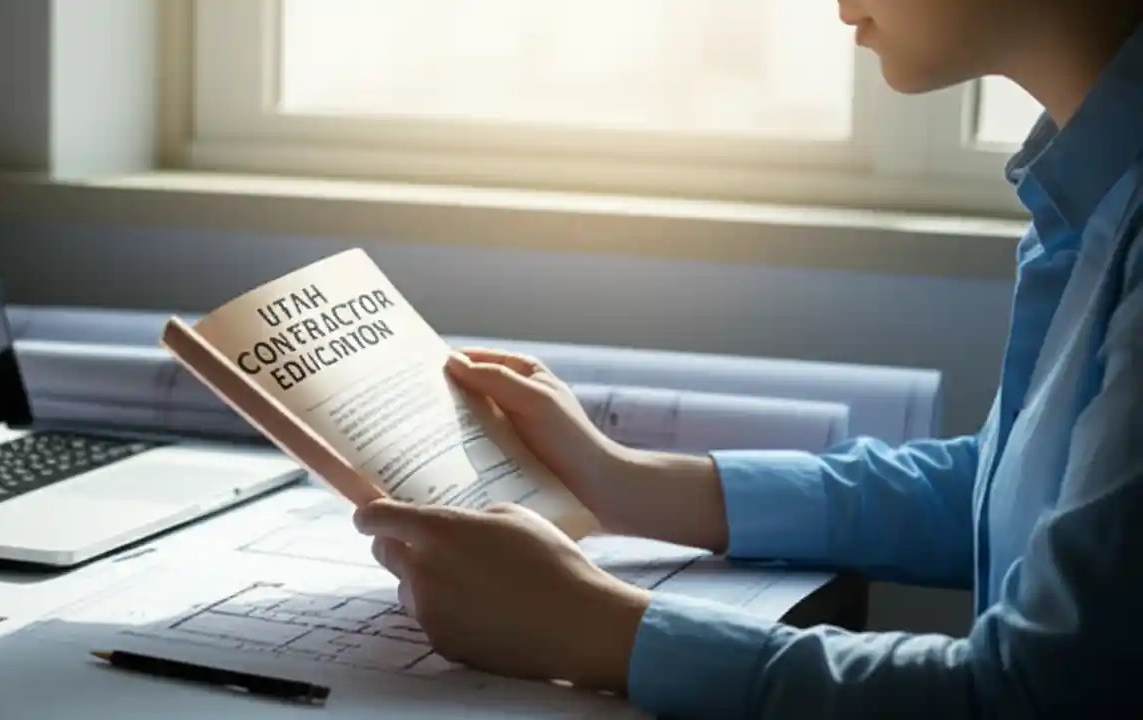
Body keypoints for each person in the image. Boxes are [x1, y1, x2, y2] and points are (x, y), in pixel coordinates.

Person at [355, 0, 1143, 716]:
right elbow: (1004, 491)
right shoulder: (1093, 178)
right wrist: (623, 481)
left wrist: (596, 628)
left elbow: (1037, 696)